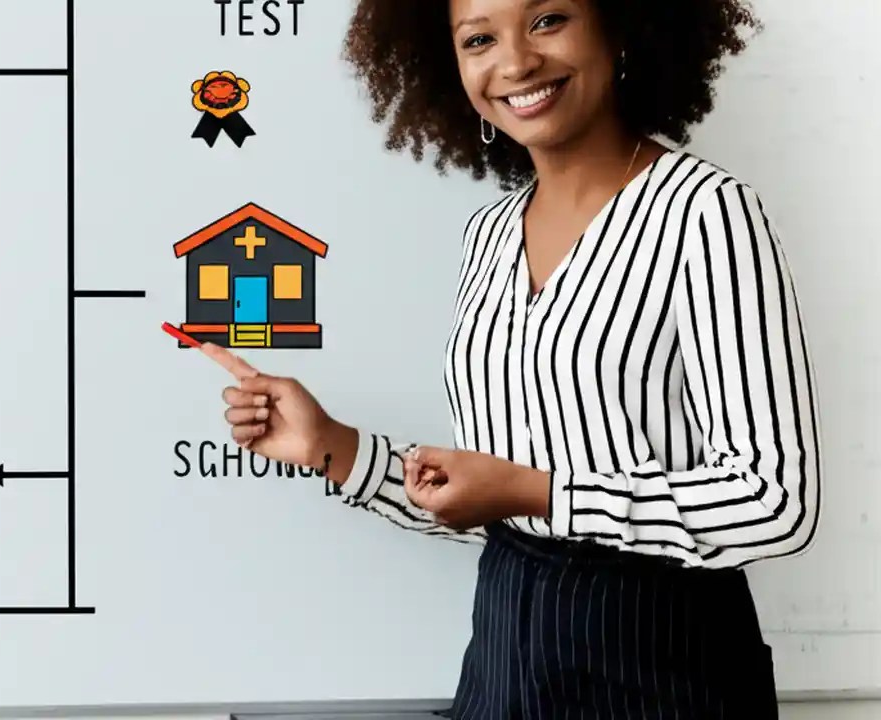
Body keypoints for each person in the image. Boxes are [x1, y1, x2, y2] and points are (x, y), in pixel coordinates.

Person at [202, 0, 822, 717]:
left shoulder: (706, 214)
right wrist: (331, 447)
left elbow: (775, 503)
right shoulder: (488, 235)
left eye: (549, 18)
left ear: (618, 25)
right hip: (504, 656)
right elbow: (487, 494)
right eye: (479, 39)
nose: (517, 61)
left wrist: (542, 494)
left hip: (663, 661)